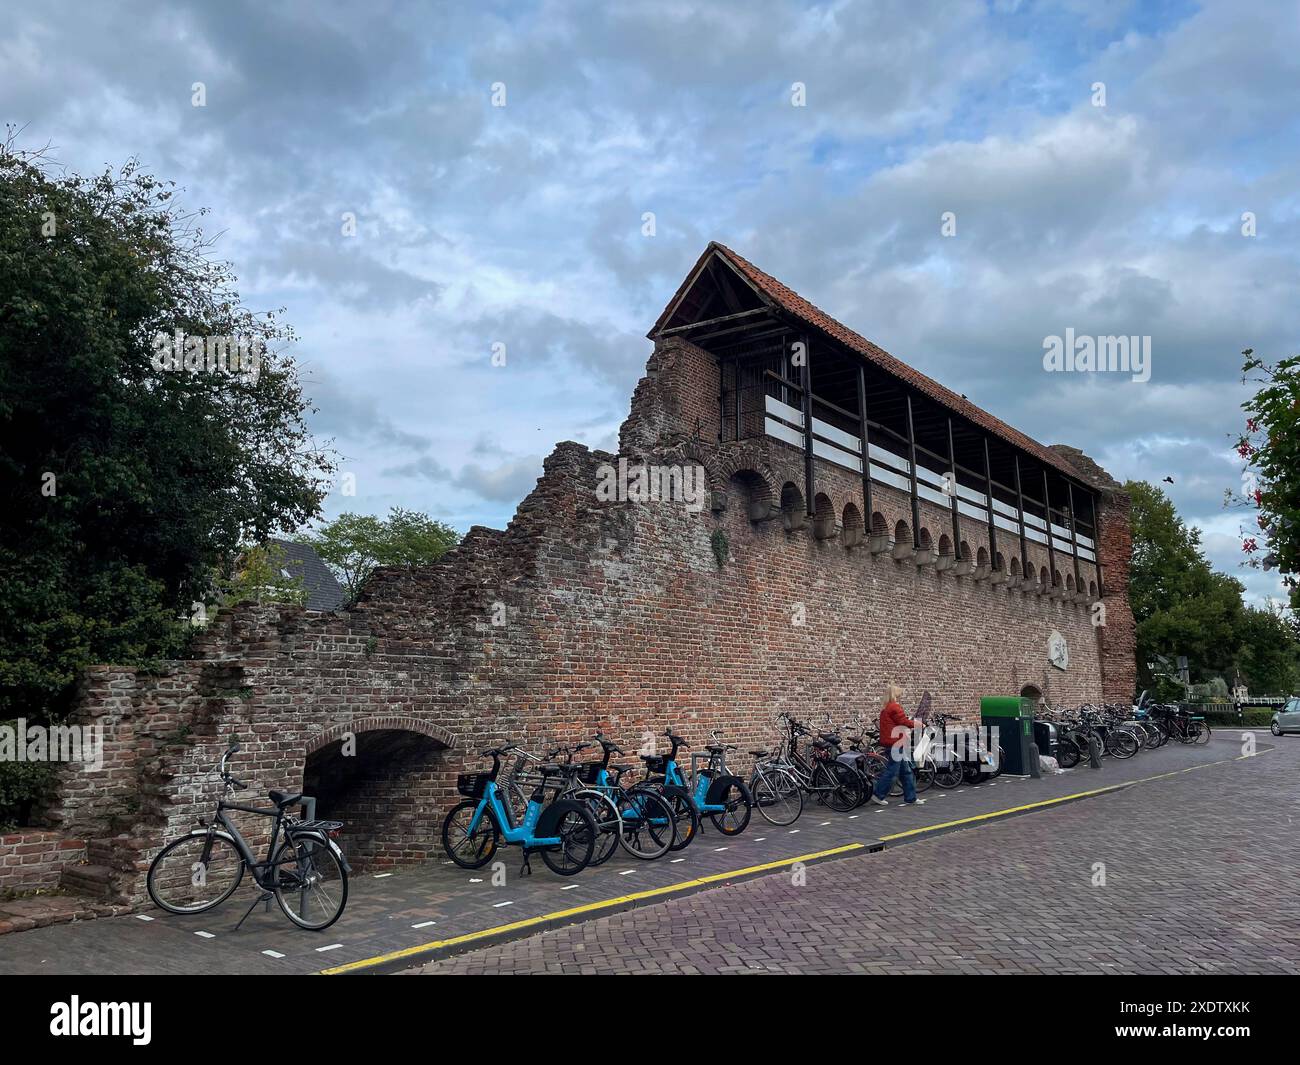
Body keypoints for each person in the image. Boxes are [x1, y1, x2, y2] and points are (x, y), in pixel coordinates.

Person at [870, 683, 921, 806]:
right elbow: (903, 721)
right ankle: (878, 794)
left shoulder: (886, 707)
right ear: (895, 694)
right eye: (899, 694)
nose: (900, 696)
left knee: (906, 771)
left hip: (893, 742)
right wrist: (918, 724)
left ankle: (911, 797)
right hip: (895, 743)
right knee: (892, 771)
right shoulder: (894, 707)